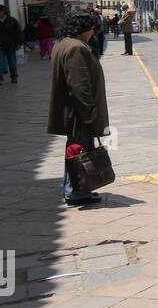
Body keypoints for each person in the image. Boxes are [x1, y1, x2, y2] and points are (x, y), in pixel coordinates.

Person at [47, 10, 110, 206]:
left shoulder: (63, 43)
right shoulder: (76, 48)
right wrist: (89, 113)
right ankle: (75, 190)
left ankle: (77, 188)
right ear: (83, 29)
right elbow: (79, 85)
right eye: (91, 29)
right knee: (79, 152)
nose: (93, 33)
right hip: (78, 113)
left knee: (75, 151)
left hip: (73, 111)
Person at [0, 4, 23, 85]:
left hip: (11, 45)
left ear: (3, 12)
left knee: (12, 62)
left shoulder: (12, 21)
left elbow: (18, 33)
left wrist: (18, 43)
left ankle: (14, 77)